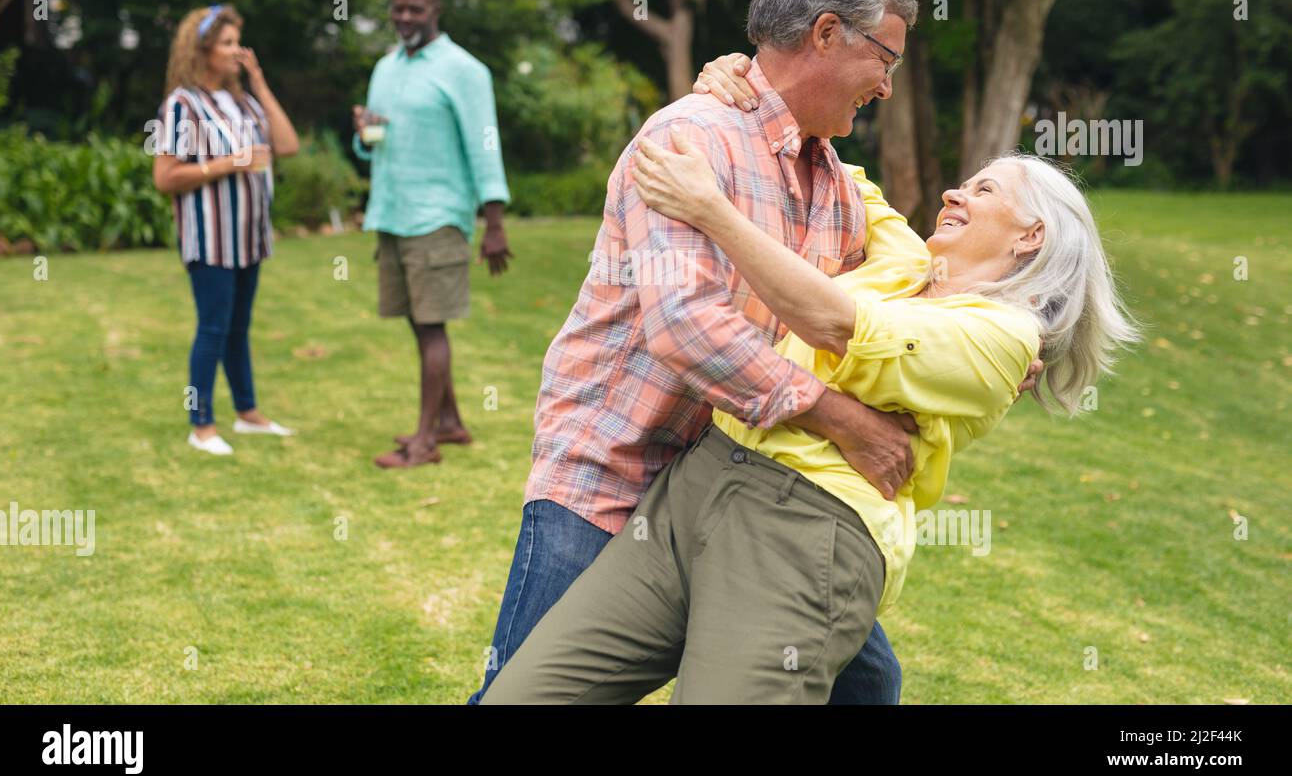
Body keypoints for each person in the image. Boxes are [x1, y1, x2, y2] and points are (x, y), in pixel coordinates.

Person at [468, 0, 999, 705]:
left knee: (868, 685)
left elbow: (890, 300)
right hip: (616, 468)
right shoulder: (689, 142)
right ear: (825, 34)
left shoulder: (839, 187)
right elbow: (685, 327)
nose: (888, 85)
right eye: (886, 57)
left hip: (739, 493)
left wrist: (1007, 336)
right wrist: (840, 419)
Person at [482, 137, 1140, 704]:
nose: (954, 193)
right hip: (693, 491)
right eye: (962, 183)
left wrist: (710, 208)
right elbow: (828, 159)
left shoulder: (1003, 337)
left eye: (984, 188)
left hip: (807, 530)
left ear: (1033, 235)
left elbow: (831, 322)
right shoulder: (906, 260)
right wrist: (743, 73)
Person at [351, 0, 512, 469]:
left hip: (438, 215)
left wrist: (494, 220)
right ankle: (449, 422)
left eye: (414, 9)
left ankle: (424, 442)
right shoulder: (385, 68)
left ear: (436, 9)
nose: (404, 18)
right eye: (398, 8)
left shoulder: (465, 70)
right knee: (418, 324)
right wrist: (364, 135)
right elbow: (374, 146)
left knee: (431, 324)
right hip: (393, 213)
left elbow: (484, 144)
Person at [152, 4, 301, 456]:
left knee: (239, 328)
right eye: (228, 43)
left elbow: (288, 145)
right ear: (202, 50)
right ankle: (201, 425)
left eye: (240, 42)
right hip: (211, 237)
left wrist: (258, 82)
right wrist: (228, 164)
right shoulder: (183, 104)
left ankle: (248, 413)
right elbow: (165, 176)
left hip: (249, 236)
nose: (238, 51)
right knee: (213, 328)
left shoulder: (243, 102)